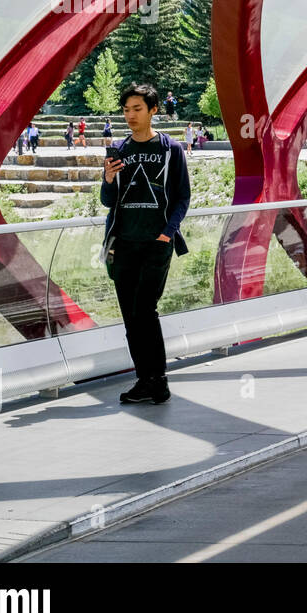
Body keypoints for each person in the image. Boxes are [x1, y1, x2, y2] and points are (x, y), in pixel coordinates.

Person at [100, 82, 191, 405]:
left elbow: (182, 196)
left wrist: (168, 231)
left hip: (156, 243)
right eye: (126, 110)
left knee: (145, 310)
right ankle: (145, 379)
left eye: (137, 109)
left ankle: (159, 379)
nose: (130, 115)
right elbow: (107, 200)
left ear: (153, 110)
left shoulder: (171, 150)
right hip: (123, 243)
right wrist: (108, 178)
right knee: (130, 315)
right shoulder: (120, 150)